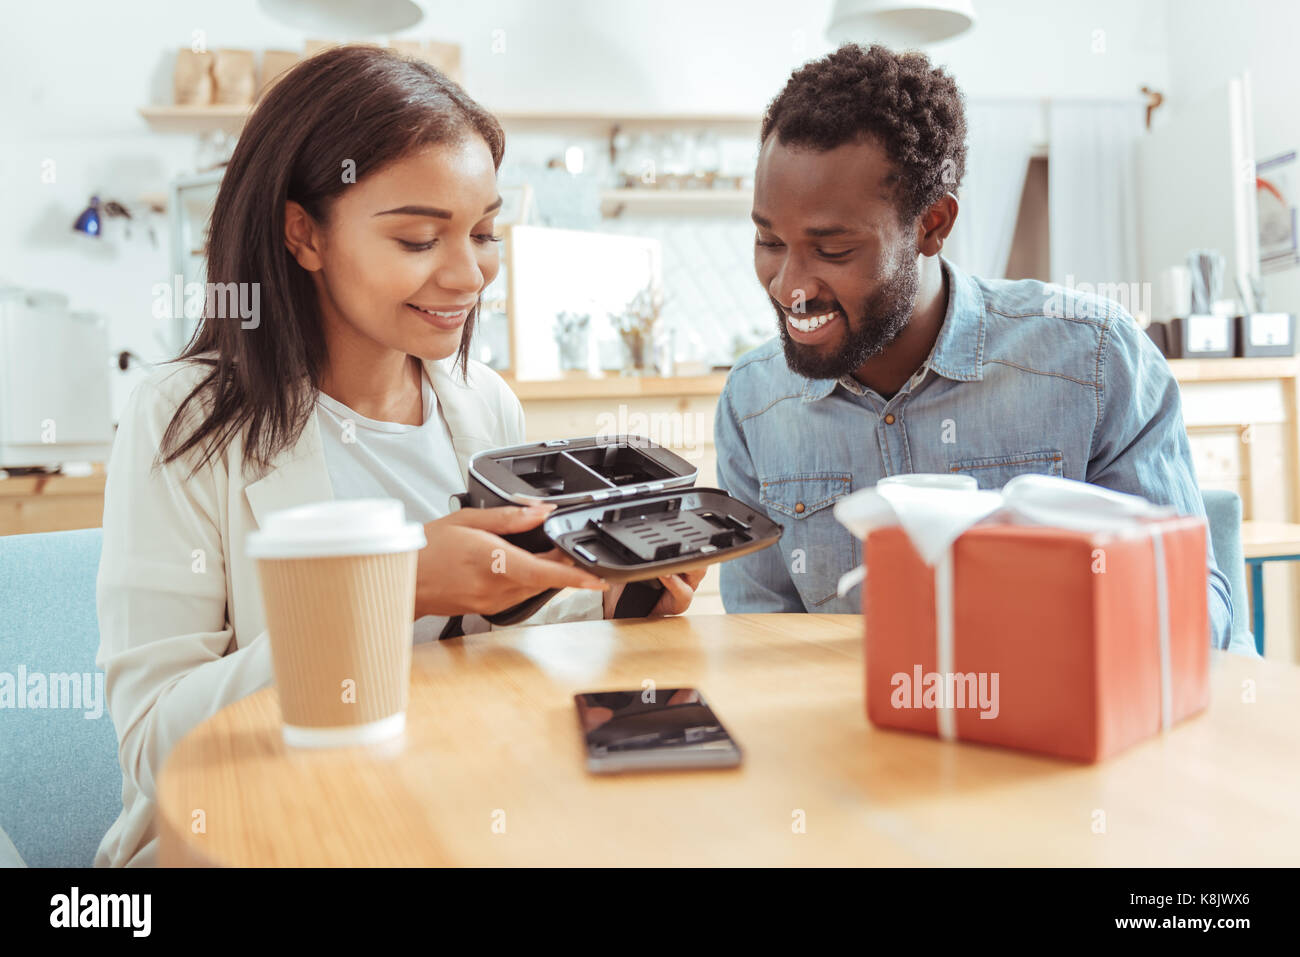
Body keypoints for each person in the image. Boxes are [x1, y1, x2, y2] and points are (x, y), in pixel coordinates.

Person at [95, 45, 703, 868]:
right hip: (253, 833)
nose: (468, 273)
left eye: (484, 231)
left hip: (443, 810)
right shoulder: (186, 419)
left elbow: (488, 639)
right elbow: (158, 741)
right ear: (303, 232)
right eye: (419, 238)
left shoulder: (482, 403)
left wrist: (606, 600)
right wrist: (391, 587)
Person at [714, 43, 1236, 651]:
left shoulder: (1095, 360)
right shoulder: (753, 403)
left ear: (932, 225)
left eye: (833, 250)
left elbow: (1199, 615)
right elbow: (762, 641)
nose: (790, 286)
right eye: (769, 240)